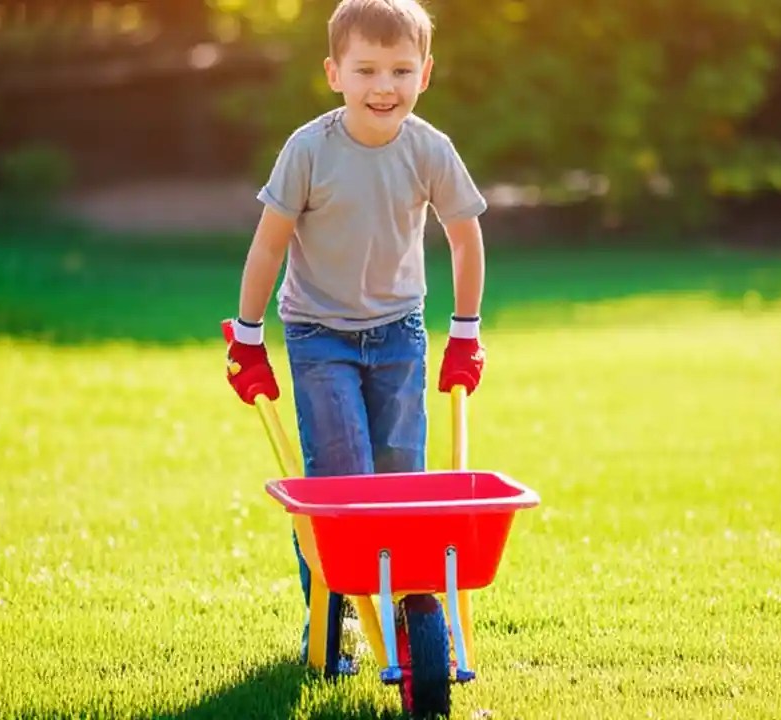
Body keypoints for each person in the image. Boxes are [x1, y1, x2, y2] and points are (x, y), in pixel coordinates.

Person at [223, 0, 488, 670]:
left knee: (401, 484)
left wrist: (464, 332)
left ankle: (410, 607)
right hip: (319, 336)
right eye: (366, 68)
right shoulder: (309, 150)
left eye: (400, 69)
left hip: (399, 333)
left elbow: (464, 240)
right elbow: (267, 248)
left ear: (425, 73)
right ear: (333, 73)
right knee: (342, 485)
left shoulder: (431, 150)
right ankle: (332, 613)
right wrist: (248, 337)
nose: (384, 86)